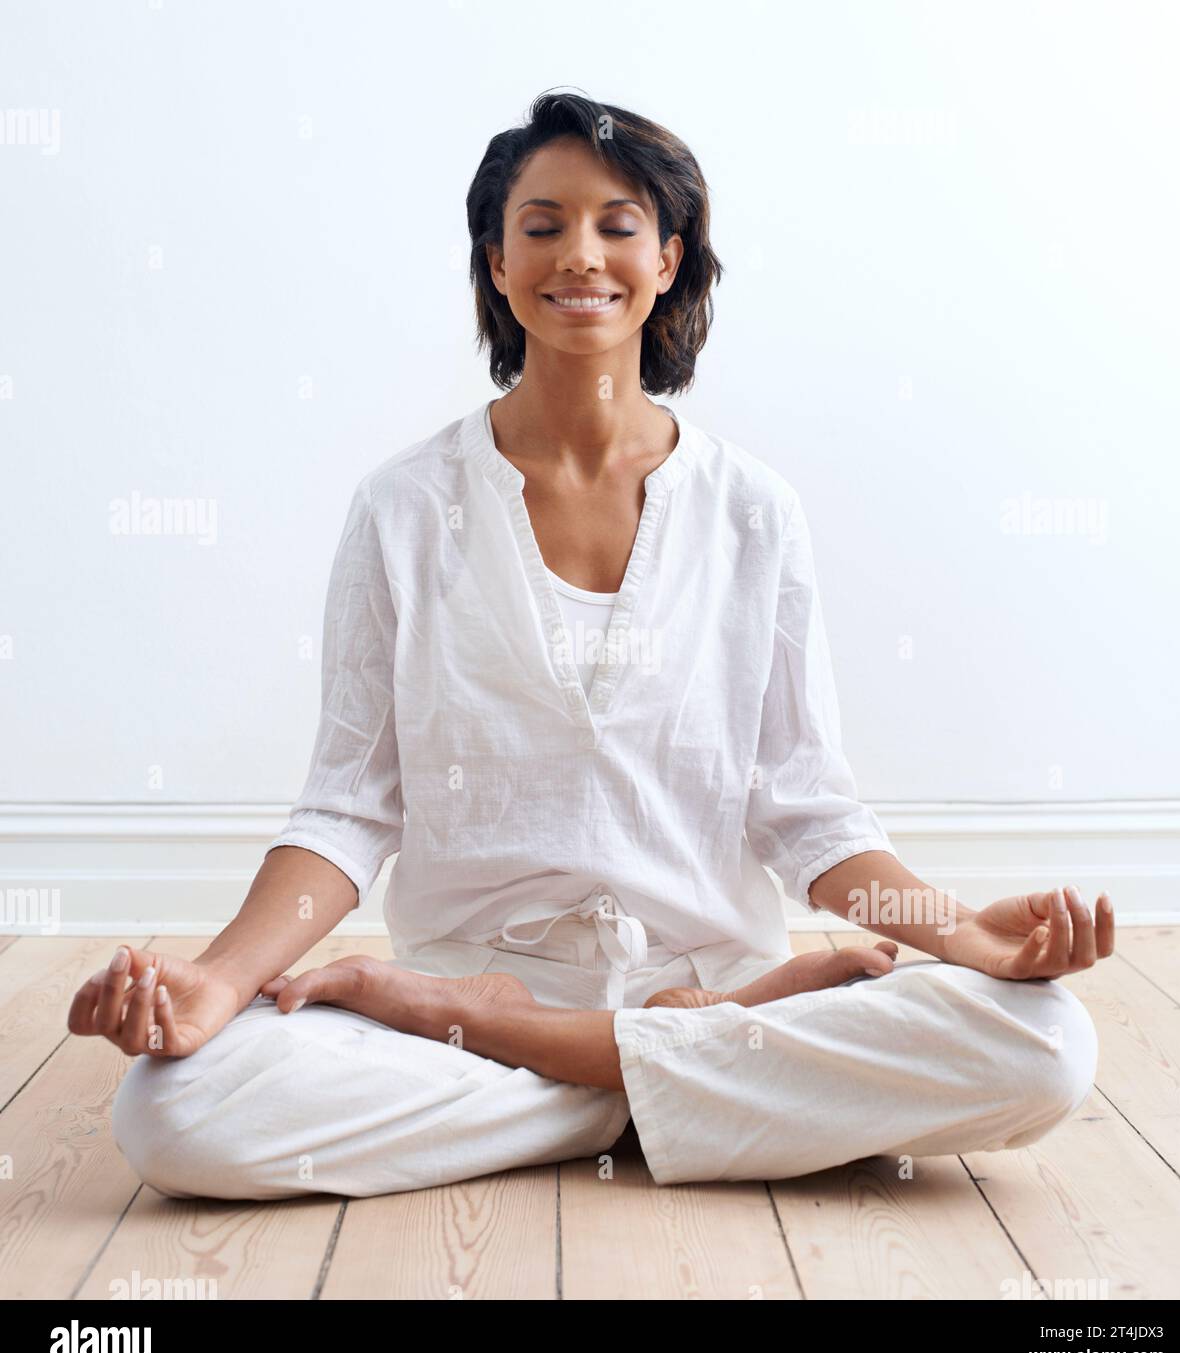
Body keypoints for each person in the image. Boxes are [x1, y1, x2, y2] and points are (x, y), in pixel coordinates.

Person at [71, 93, 1110, 1201]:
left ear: (668, 260)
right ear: (496, 260)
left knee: (1045, 1042)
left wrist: (960, 939)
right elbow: (345, 809)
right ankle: (649, 1066)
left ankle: (543, 1056)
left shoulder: (752, 511)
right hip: (509, 983)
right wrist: (220, 984)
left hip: (695, 975)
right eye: (542, 224)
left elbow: (806, 811)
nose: (580, 254)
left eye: (618, 224)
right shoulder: (404, 509)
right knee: (176, 1111)